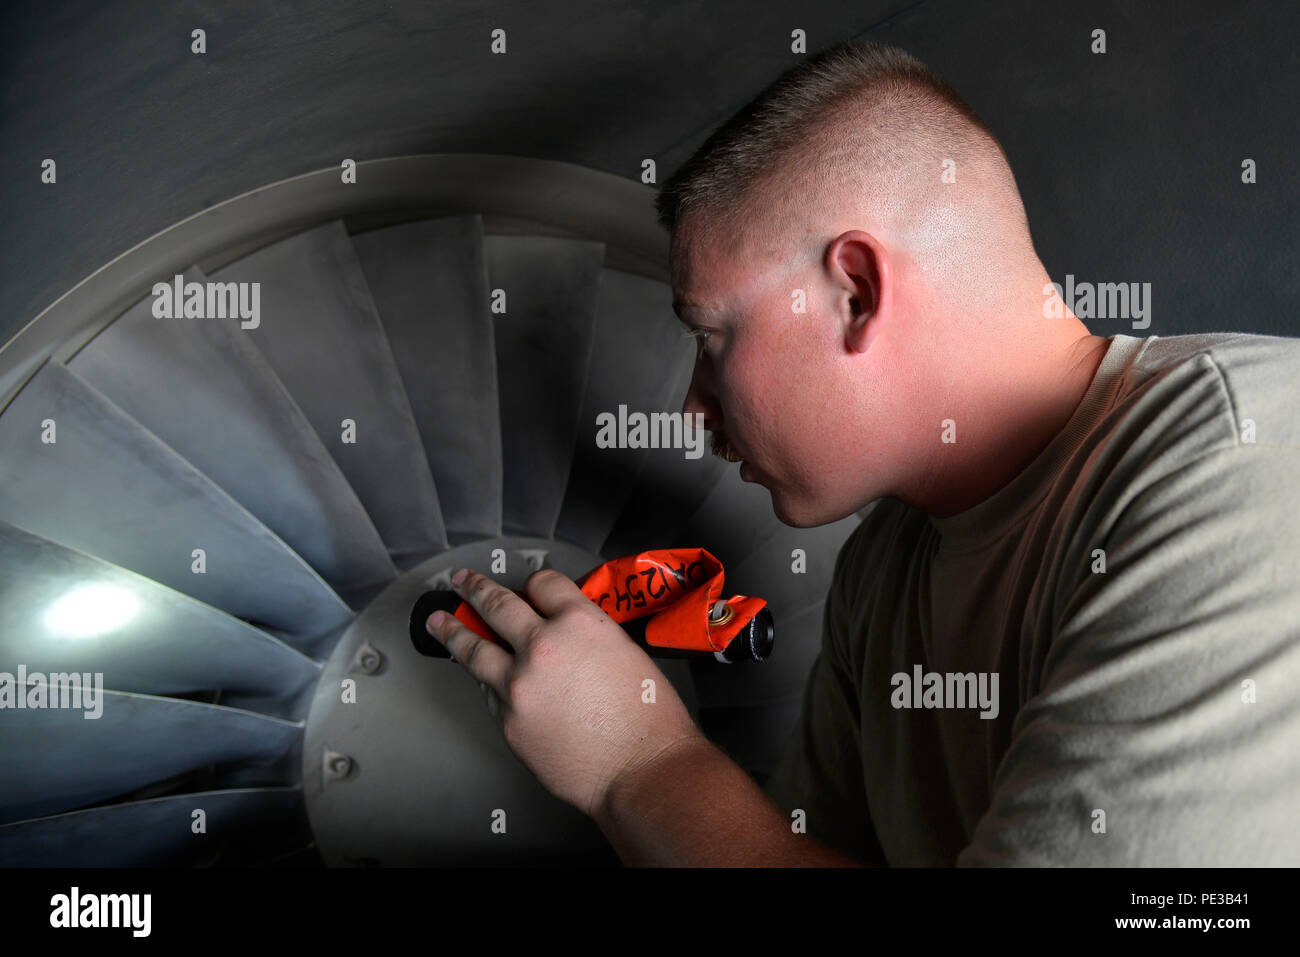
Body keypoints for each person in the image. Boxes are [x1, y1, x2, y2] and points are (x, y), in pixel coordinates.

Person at [426, 38, 1300, 866]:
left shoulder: (1242, 455)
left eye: (711, 335)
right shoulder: (882, 575)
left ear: (855, 291)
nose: (693, 407)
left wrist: (637, 767)